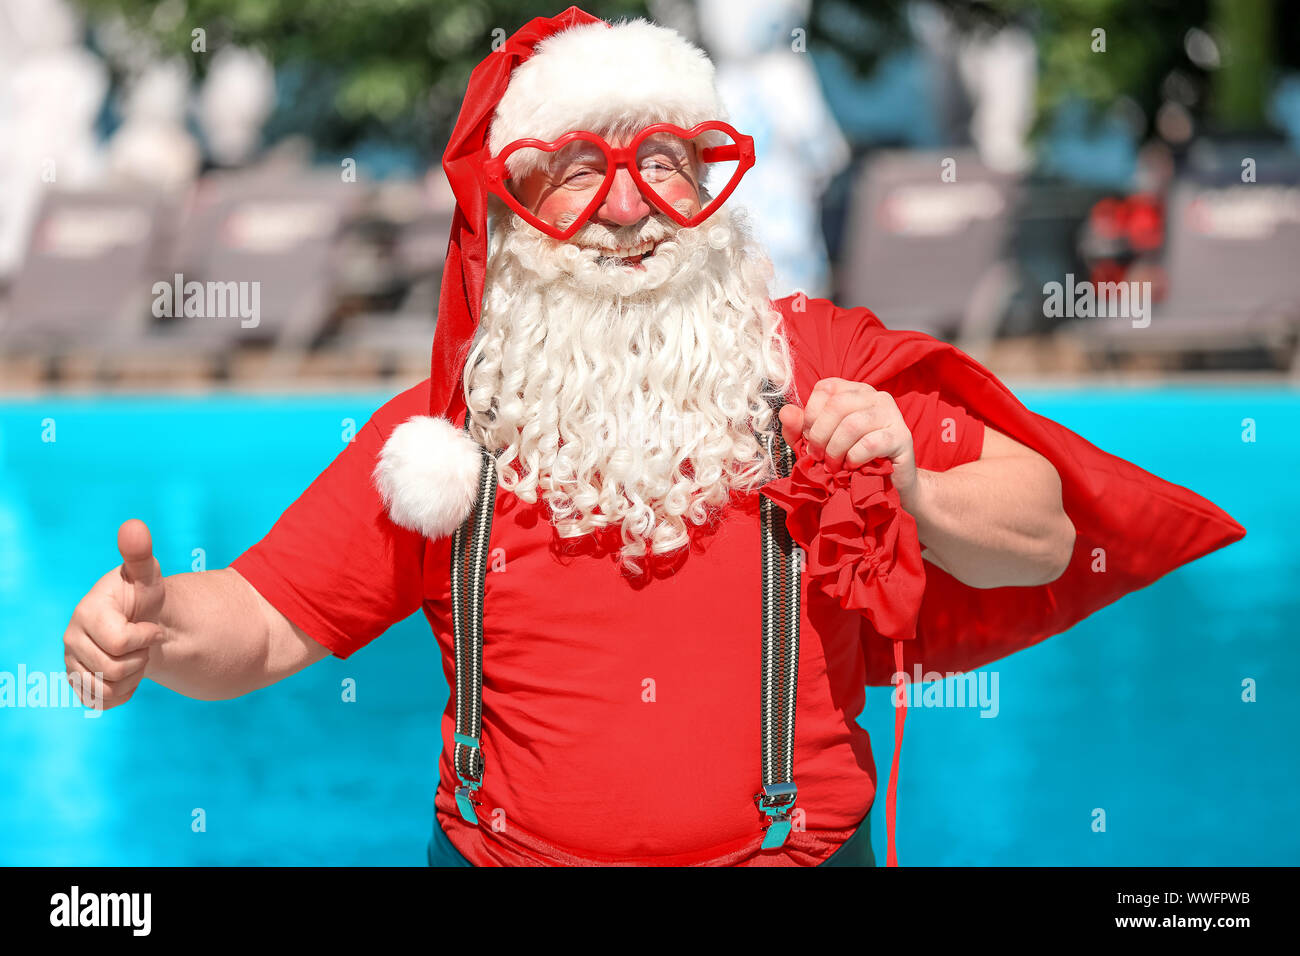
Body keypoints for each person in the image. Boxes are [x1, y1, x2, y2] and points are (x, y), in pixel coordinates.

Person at [63, 8, 1245, 867]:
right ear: (514, 217)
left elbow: (1038, 533)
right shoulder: (448, 428)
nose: (627, 206)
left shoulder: (818, 365)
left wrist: (914, 493)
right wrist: (155, 631)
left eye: (664, 165)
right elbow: (268, 620)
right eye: (579, 171)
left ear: (713, 189)